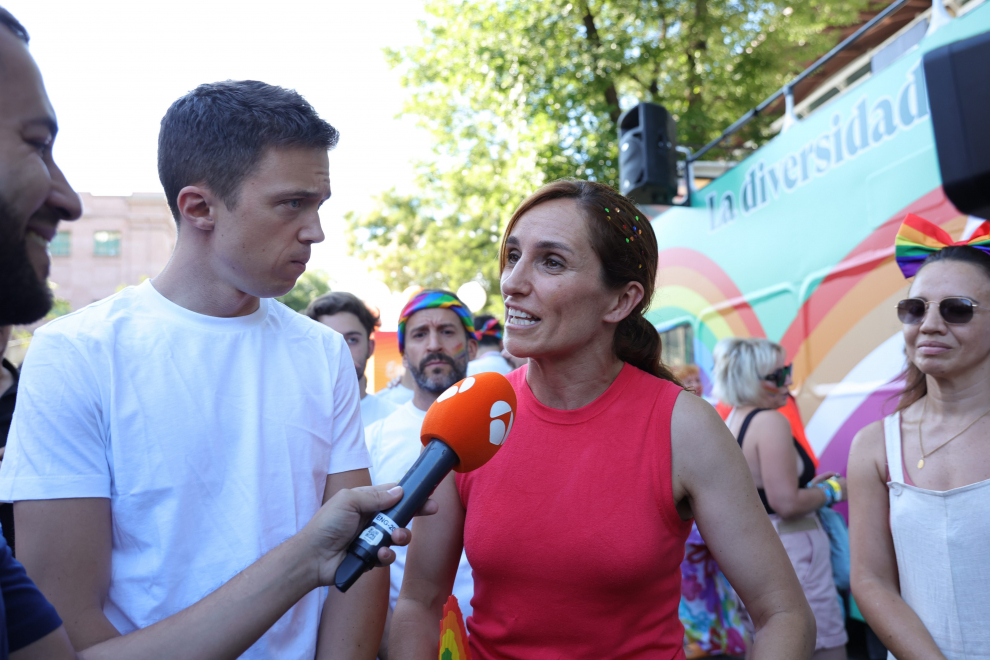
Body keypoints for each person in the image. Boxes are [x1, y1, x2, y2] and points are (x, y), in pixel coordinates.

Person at [0, 77, 387, 657]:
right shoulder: (75, 353)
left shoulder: (324, 352)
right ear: (199, 207)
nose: (316, 231)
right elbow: (64, 619)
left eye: (318, 204)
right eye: (291, 204)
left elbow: (357, 559)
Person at [390, 180, 815, 659]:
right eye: (513, 256)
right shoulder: (467, 415)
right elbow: (418, 603)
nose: (511, 282)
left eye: (550, 261)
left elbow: (784, 613)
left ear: (620, 301)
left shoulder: (683, 427)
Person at [848, 213, 990, 660]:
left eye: (956, 309)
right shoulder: (874, 446)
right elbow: (870, 580)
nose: (928, 325)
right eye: (915, 308)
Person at [713, 337, 847, 659]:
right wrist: (835, 490)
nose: (788, 380)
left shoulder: (733, 421)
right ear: (748, 379)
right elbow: (785, 503)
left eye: (787, 370)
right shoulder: (771, 421)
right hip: (795, 552)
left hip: (754, 553)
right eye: (777, 375)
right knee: (823, 646)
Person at [365, 290, 478, 659]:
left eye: (447, 332)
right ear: (403, 354)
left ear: (471, 347)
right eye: (418, 335)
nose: (434, 345)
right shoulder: (375, 439)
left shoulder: (502, 430)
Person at [675, 365, 751, 659]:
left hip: (702, 534)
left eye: (697, 379)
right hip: (692, 535)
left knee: (713, 588)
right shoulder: (690, 416)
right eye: (688, 381)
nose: (695, 384)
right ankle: (706, 642)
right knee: (695, 591)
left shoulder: (708, 412)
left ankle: (716, 641)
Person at [306, 291, 399, 426]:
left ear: (371, 347)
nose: (341, 351)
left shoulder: (396, 420)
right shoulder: (296, 420)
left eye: (352, 340)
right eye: (328, 341)